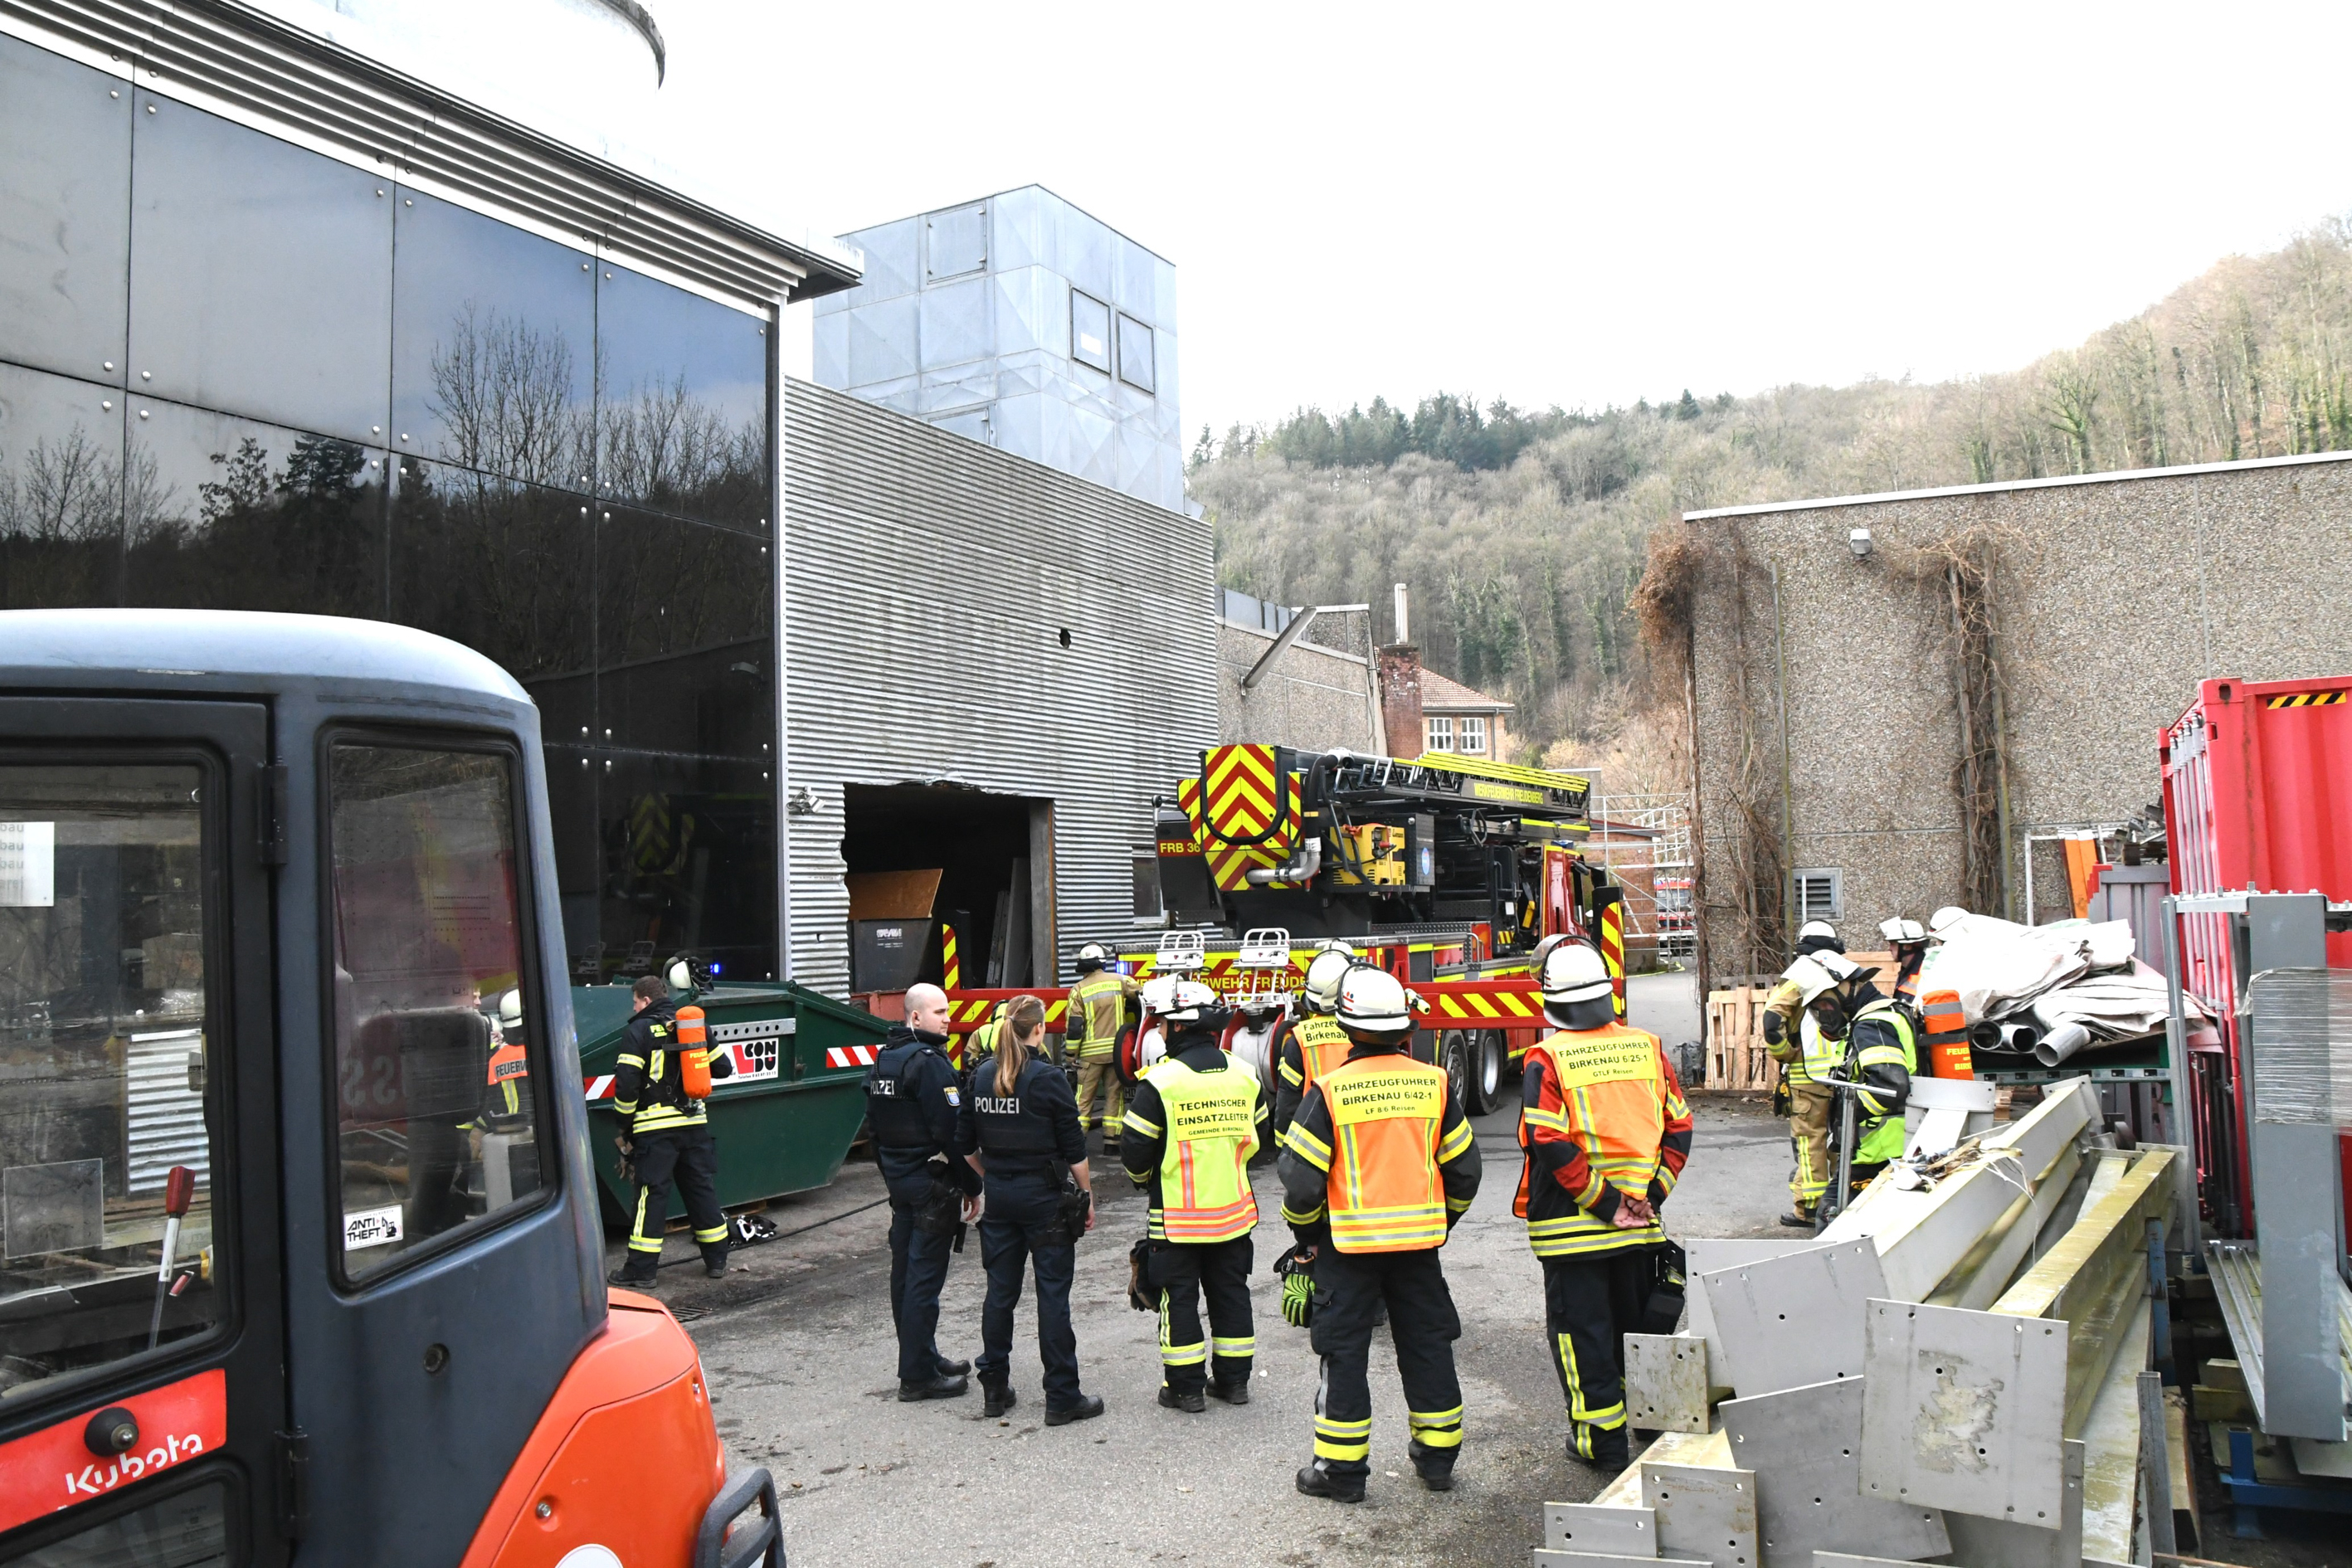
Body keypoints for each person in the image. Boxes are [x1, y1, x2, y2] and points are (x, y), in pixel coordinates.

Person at [1279, 965, 1480, 1502]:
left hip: (1347, 1251)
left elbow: (1299, 1183)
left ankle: (1342, 1474)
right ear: (1404, 1028)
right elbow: (1464, 1173)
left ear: (1346, 1026)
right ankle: (1437, 1463)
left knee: (1343, 1354)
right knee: (1427, 1346)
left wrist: (1307, 1238)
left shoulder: (1330, 1089)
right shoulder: (1433, 1082)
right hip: (1418, 1250)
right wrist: (1440, 1222)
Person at [1515, 939, 1692, 1473]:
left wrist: (1605, 1203)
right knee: (1635, 1332)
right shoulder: (1647, 1046)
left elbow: (1547, 1142)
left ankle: (1601, 1444)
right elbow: (1679, 1128)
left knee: (1582, 1338)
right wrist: (1649, 1198)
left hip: (1576, 1232)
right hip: (1641, 1228)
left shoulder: (1546, 1057)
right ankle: (1644, 1422)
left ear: (1554, 1002)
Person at [956, 995, 1105, 1425]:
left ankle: (995, 1390)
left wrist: (991, 1175)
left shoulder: (981, 1075)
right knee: (1052, 1297)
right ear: (1038, 1029)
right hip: (1045, 1202)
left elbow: (964, 1145)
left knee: (999, 1294)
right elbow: (1075, 1150)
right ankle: (1062, 1397)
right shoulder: (1048, 1079)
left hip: (999, 1199)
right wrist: (1087, 1196)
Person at [1122, 977, 1268, 1413]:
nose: (1159, 1032)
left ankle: (1185, 1389)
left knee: (1177, 1299)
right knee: (1231, 1294)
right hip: (1233, 1213)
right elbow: (1258, 1137)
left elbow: (1135, 1152)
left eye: (1163, 1024)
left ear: (1178, 1028)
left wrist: (1147, 1179)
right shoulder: (1245, 1075)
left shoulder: (1161, 1083)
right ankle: (1234, 1383)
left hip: (1178, 1219)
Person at [865, 981, 982, 1400]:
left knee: (905, 1276)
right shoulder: (928, 1063)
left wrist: (893, 1176)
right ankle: (917, 1376)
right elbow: (951, 1133)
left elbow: (873, 1131)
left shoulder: (885, 1061)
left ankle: (923, 1355)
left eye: (947, 1011)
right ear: (915, 1017)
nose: (948, 1017)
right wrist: (973, 1185)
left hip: (902, 1183)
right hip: (931, 1185)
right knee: (923, 1280)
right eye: (939, 1012)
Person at [607, 971, 735, 1286]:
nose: (634, 1008)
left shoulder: (637, 1031)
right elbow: (723, 1068)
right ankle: (717, 1260)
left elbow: (626, 1087)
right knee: (701, 1190)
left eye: (636, 1002)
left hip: (655, 1130)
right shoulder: (692, 1026)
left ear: (646, 1000)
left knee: (651, 1197)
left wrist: (624, 1126)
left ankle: (641, 1271)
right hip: (694, 1125)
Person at [1799, 961, 1917, 1195]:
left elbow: (1891, 1085)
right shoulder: (1883, 1015)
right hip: (1886, 1148)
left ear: (1846, 988)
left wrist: (1851, 1113)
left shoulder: (1872, 1024)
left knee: (1834, 1218)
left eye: (1825, 1003)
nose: (1824, 1012)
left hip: (1878, 1151)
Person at [1063, 942, 1140, 1156]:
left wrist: (1071, 1055)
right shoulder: (1120, 981)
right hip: (1117, 1054)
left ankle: (1077, 1144)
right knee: (1114, 1096)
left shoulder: (1078, 990)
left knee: (1083, 1100)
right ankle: (1111, 1143)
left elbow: (1075, 1027)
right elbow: (1141, 995)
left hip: (1089, 1056)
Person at [1272, 945, 1356, 1138]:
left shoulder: (1299, 1038)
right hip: (1361, 1132)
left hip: (1316, 1134)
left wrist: (1284, 1152)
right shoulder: (1368, 1031)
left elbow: (1287, 1105)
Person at [1879, 917, 1931, 1002]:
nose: (1889, 948)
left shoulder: (1925, 973)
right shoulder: (1906, 971)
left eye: (1892, 944)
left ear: (1906, 946)